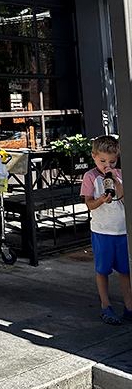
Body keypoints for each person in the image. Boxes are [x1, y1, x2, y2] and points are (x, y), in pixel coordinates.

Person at [80, 135, 132, 324]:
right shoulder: (90, 177)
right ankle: (105, 305)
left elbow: (127, 202)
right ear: (93, 157)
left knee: (125, 271)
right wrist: (101, 199)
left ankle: (129, 306)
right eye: (102, 161)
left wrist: (117, 183)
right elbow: (89, 204)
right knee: (102, 270)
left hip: (122, 231)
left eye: (111, 161)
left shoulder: (120, 174)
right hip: (102, 231)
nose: (106, 165)